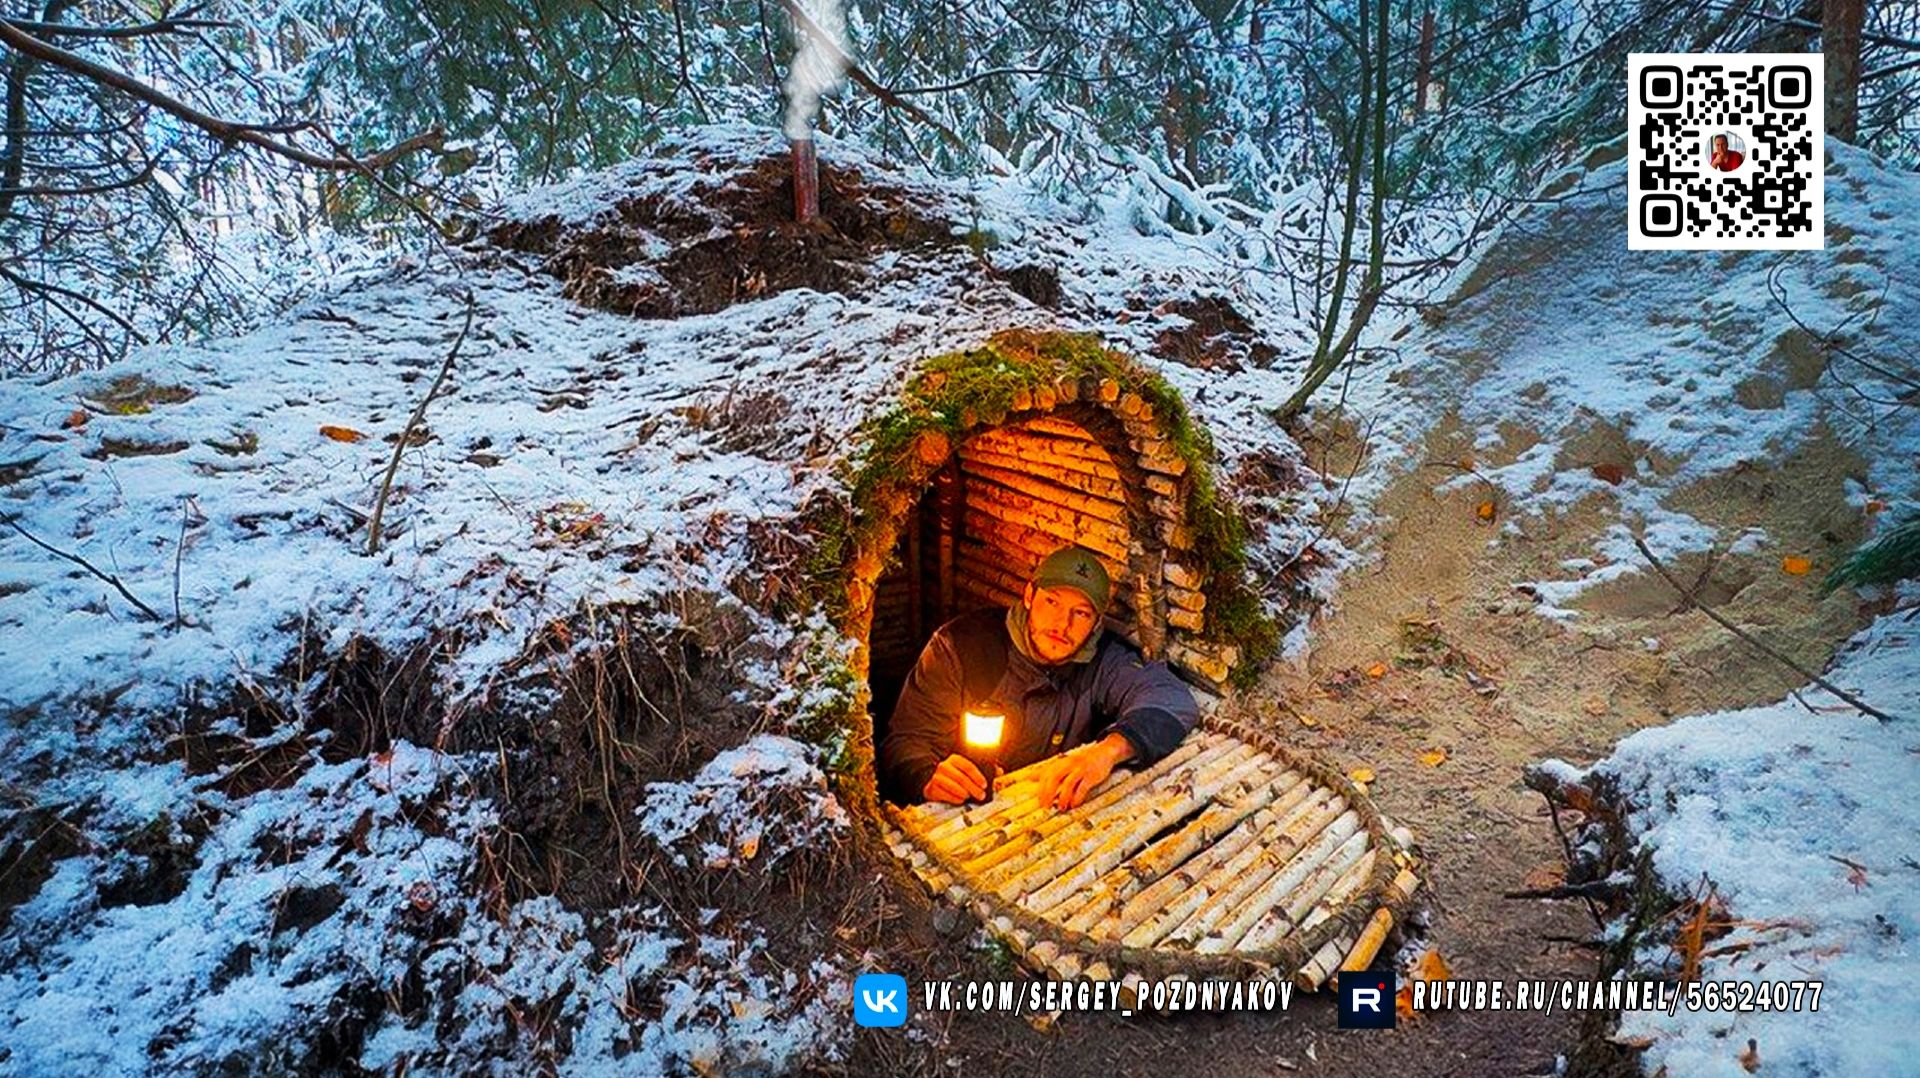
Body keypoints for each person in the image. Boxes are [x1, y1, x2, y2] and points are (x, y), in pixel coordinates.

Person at [879, 544, 1201, 809]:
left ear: (1096, 622)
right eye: (1052, 601)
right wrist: (926, 777)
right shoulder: (961, 647)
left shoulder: (1103, 661)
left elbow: (1172, 699)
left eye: (1081, 613)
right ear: (1029, 595)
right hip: (959, 818)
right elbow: (904, 741)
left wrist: (1108, 751)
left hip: (1044, 818)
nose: (1062, 624)